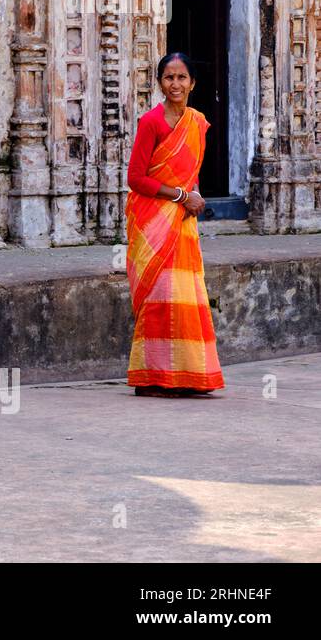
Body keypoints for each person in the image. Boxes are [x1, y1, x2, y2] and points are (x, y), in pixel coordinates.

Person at [124, 51, 225, 397]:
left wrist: (193, 195)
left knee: (186, 296)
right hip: (153, 220)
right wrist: (183, 196)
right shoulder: (151, 122)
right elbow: (136, 178)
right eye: (169, 78)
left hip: (181, 222)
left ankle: (187, 375)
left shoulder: (196, 122)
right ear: (159, 83)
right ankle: (152, 378)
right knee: (159, 297)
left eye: (182, 77)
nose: (176, 84)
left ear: (192, 83)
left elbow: (190, 169)